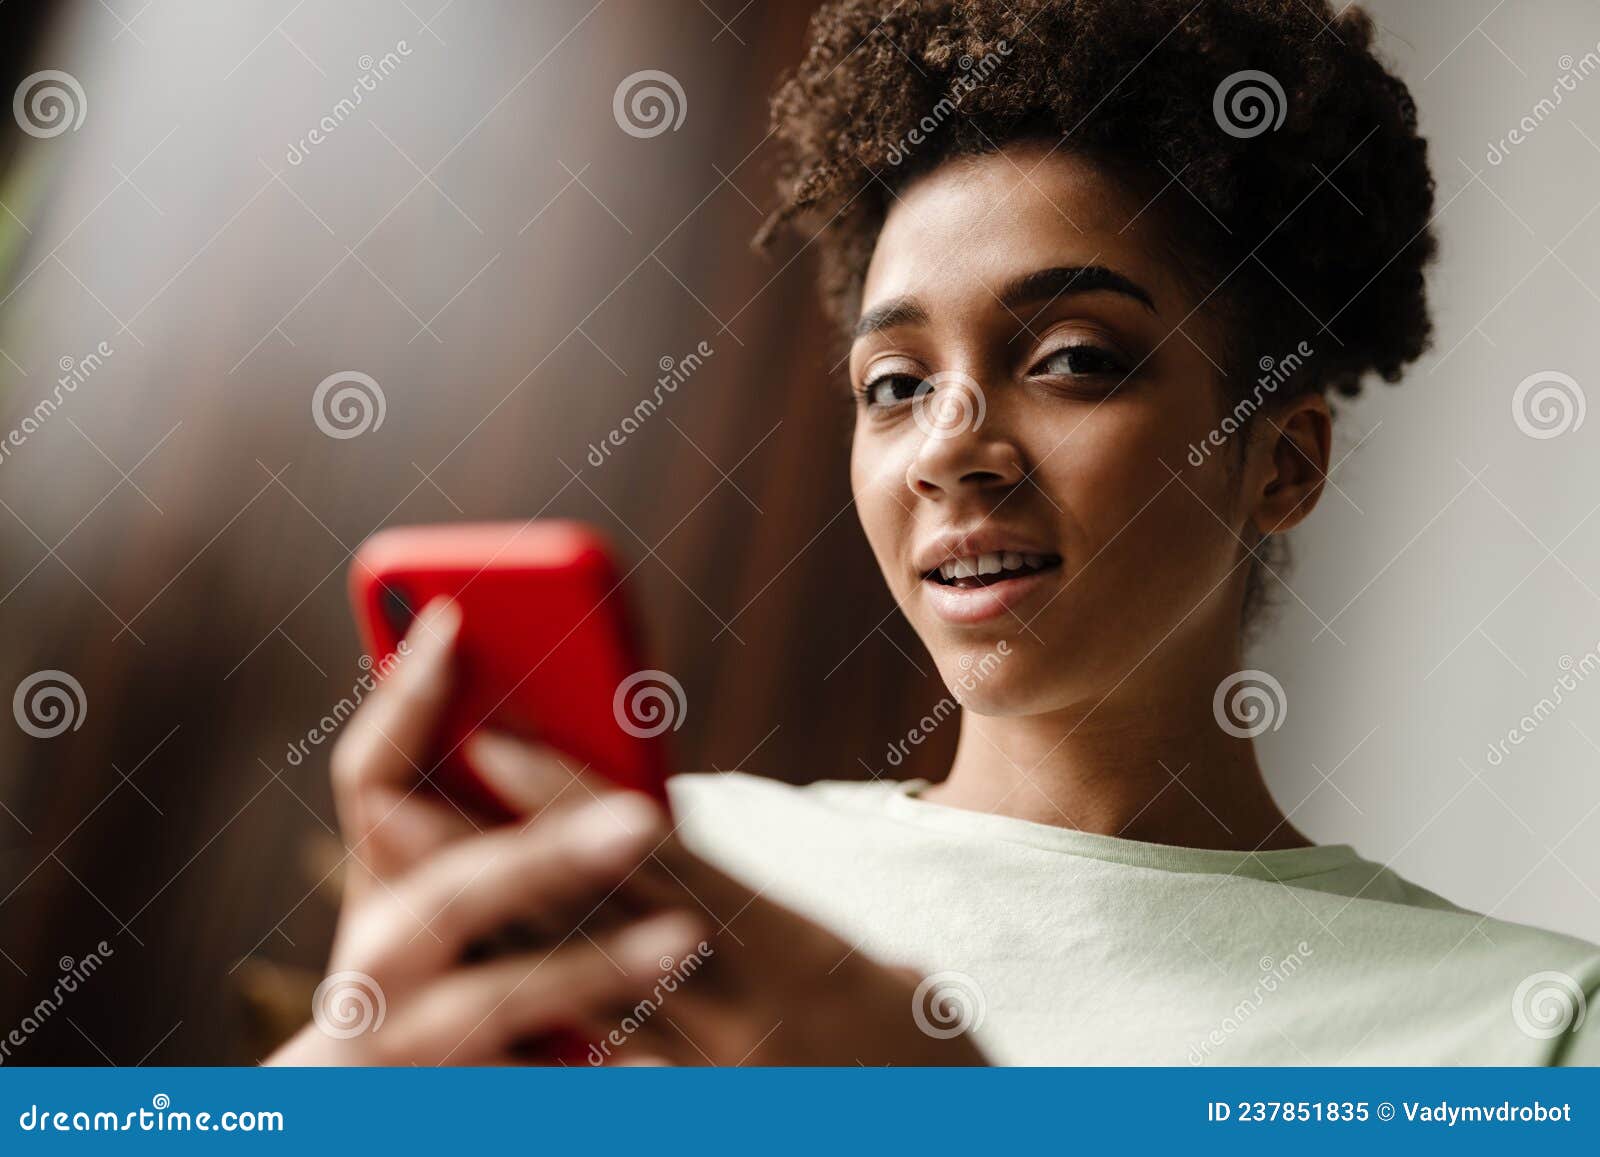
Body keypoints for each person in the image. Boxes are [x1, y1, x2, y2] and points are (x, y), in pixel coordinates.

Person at [271, 0, 1600, 1065]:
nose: (950, 443)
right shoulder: (667, 877)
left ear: (1283, 456)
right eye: (894, 383)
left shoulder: (1527, 1032)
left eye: (1076, 357)